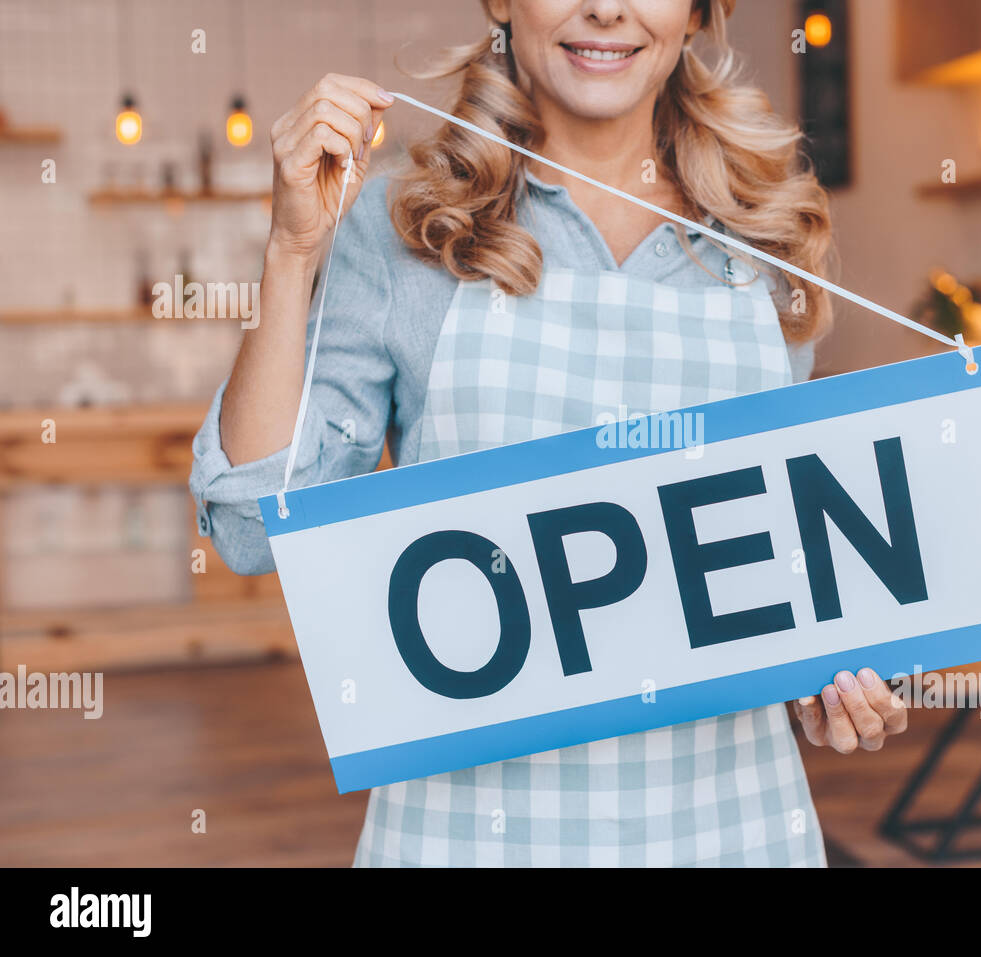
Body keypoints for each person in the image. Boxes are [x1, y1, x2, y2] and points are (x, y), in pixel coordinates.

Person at [190, 0, 907, 867]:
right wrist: (291, 251)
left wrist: (832, 683)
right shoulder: (405, 225)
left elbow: (774, 573)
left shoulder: (767, 235)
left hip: (731, 826)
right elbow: (253, 526)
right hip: (467, 836)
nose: (606, 8)